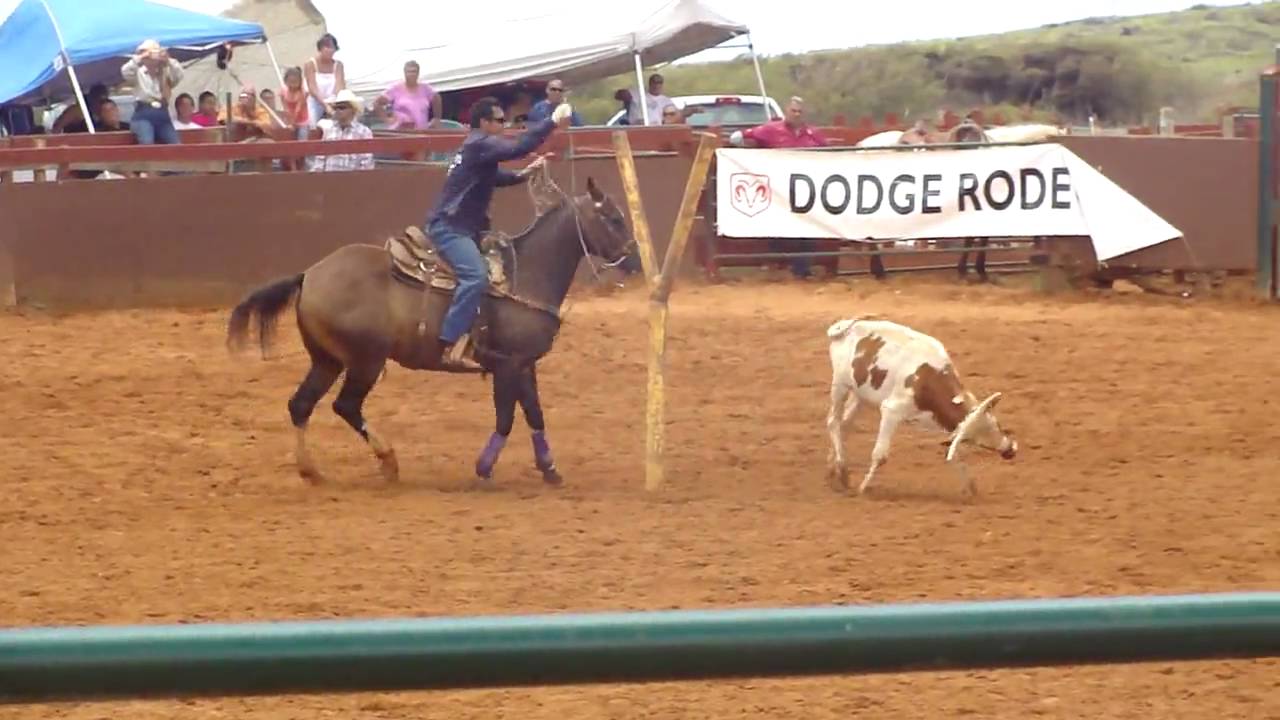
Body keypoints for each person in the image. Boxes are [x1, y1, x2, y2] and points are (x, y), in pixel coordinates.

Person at [424, 96, 574, 370]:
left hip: (462, 227)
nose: (504, 126)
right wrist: (550, 122)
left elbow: (496, 178)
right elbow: (519, 147)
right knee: (475, 277)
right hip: (451, 228)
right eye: (499, 121)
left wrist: (524, 174)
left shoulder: (476, 149)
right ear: (484, 123)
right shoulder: (480, 143)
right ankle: (448, 342)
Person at [119, 39, 183, 145]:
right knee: (147, 142)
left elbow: (179, 75)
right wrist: (141, 57)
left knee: (176, 144)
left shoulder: (165, 71)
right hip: (143, 113)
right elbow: (125, 71)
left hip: (163, 113)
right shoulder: (138, 73)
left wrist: (169, 60)